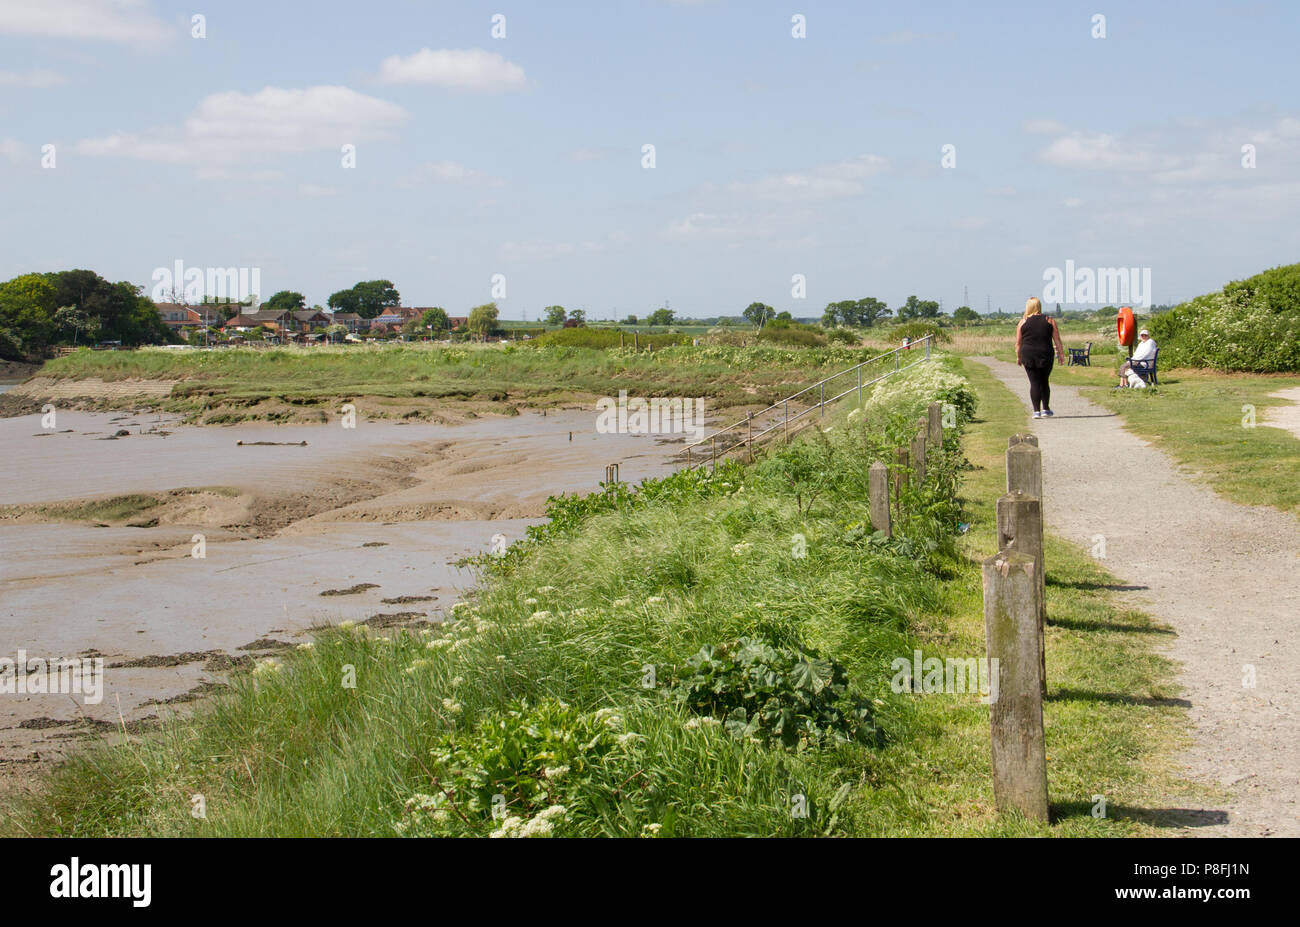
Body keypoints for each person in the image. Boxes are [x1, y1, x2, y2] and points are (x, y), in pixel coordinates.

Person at [1015, 297, 1065, 418]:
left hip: (1028, 354)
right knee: (1044, 381)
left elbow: (1018, 342)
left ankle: (1036, 411)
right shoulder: (1049, 320)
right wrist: (1061, 354)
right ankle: (1046, 409)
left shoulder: (1023, 322)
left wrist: (1018, 356)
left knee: (1034, 382)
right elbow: (1056, 339)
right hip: (1045, 353)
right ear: (1039, 306)